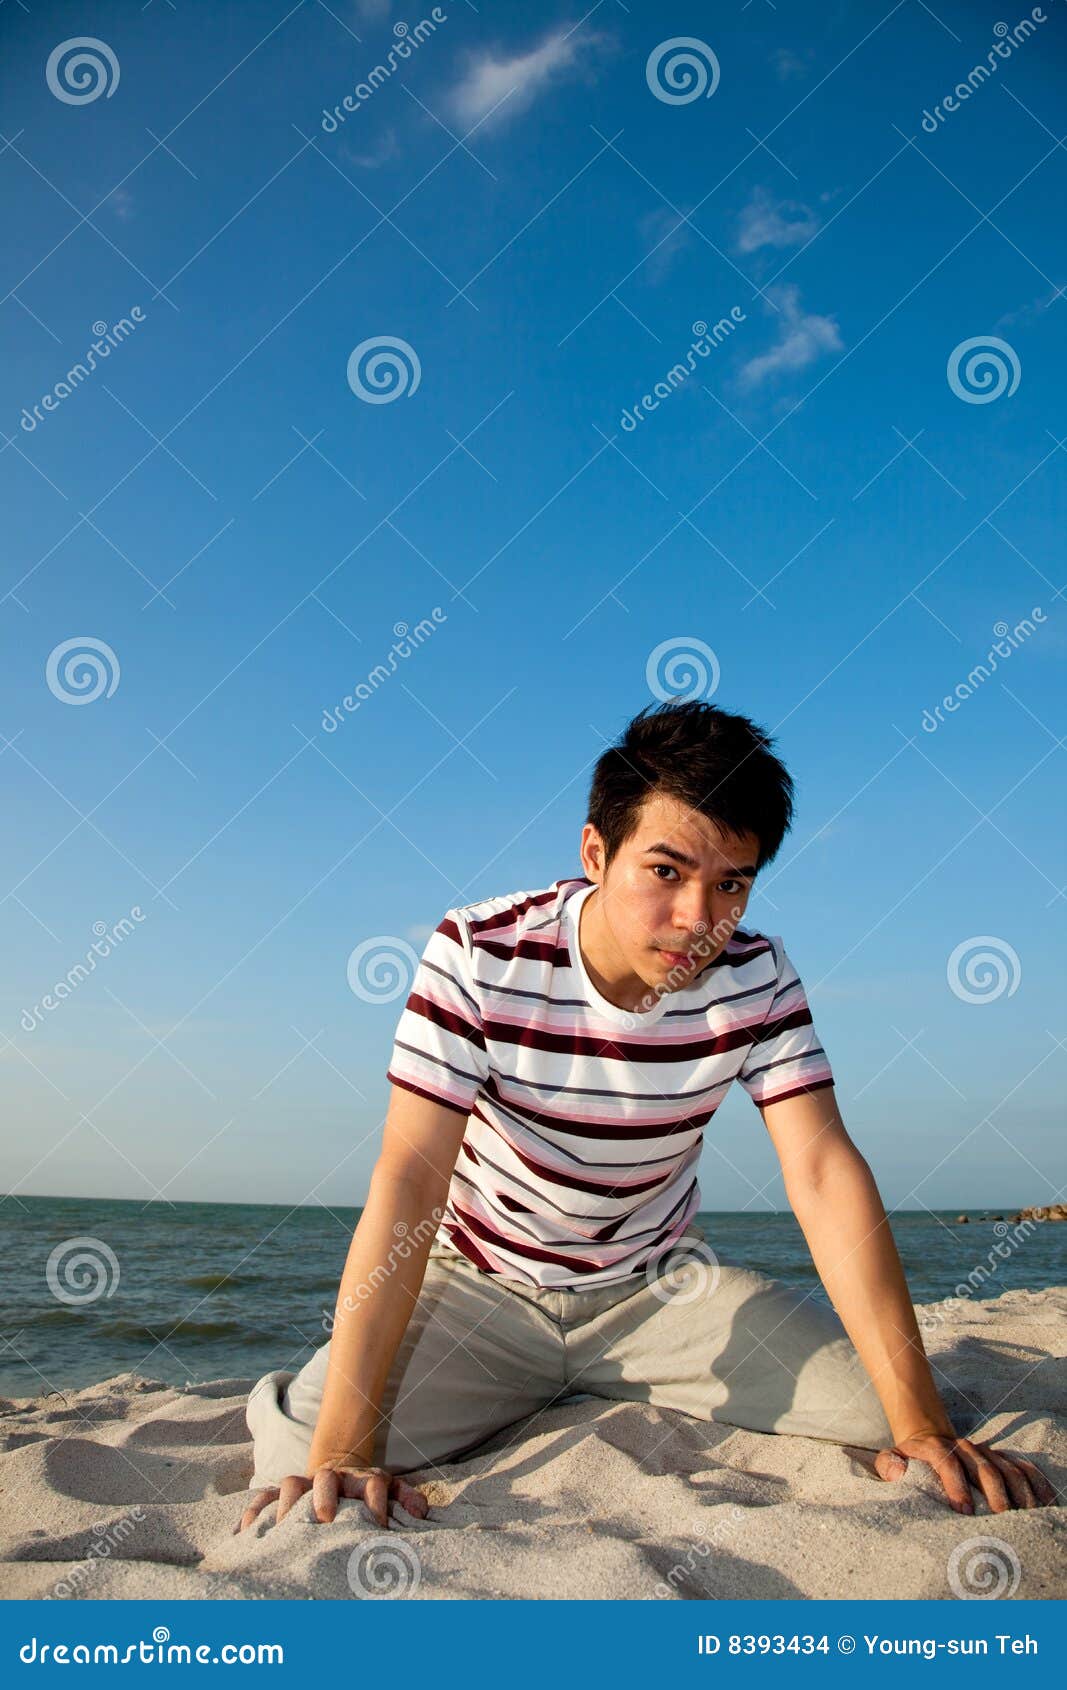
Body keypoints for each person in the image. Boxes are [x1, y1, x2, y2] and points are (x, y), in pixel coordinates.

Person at [238, 700, 1054, 1534]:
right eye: (665, 872)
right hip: (481, 1293)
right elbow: (410, 1178)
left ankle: (593, 1381)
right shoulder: (477, 952)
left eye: (730, 882)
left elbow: (820, 1170)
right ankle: (349, 1400)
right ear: (596, 852)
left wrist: (919, 1427)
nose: (699, 921)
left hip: (659, 1294)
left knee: (899, 1421)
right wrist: (346, 1447)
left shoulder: (757, 976)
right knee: (309, 1461)